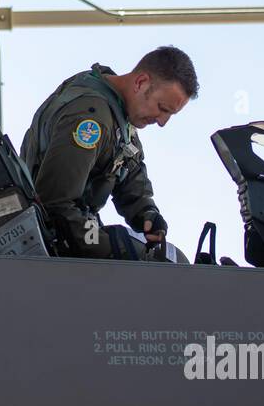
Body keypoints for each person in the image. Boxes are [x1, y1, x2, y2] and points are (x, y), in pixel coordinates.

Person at [19, 46, 198, 260]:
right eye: (162, 108)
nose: (162, 122)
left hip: (75, 231)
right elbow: (55, 204)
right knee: (156, 265)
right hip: (55, 241)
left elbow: (130, 174)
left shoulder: (119, 113)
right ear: (141, 83)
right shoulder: (91, 118)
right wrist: (112, 247)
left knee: (171, 258)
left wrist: (147, 214)